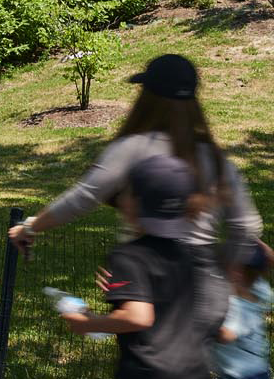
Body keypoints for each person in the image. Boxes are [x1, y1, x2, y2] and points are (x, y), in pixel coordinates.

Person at [11, 53, 261, 340]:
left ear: (148, 97)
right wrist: (221, 272)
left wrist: (29, 227)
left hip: (147, 281)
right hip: (201, 290)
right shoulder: (215, 158)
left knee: (147, 357)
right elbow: (247, 226)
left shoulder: (134, 148)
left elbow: (84, 197)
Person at [55, 155, 213, 376]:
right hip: (195, 370)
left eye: (126, 192)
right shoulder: (192, 253)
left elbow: (138, 316)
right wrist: (130, 290)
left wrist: (88, 323)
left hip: (149, 371)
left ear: (135, 204)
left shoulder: (129, 256)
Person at [213, 240, 271, 379]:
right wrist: (251, 237)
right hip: (257, 370)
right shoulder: (260, 289)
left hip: (241, 375)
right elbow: (270, 259)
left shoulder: (237, 308)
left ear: (238, 273)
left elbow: (226, 336)